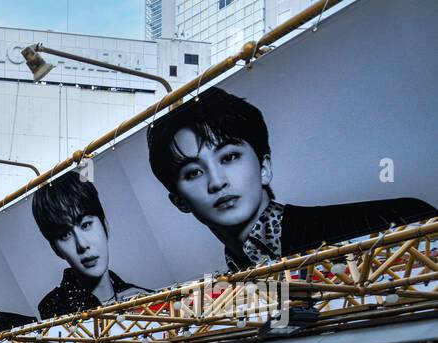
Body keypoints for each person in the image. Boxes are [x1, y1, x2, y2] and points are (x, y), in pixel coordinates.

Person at [146, 88, 438, 273]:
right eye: (194, 172)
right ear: (179, 201)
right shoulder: (227, 282)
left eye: (229, 157)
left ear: (264, 167)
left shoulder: (397, 219)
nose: (217, 182)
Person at [31, 172, 152, 319]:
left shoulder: (140, 296)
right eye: (65, 235)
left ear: (105, 226)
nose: (81, 244)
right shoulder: (52, 307)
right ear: (56, 249)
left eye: (86, 225)